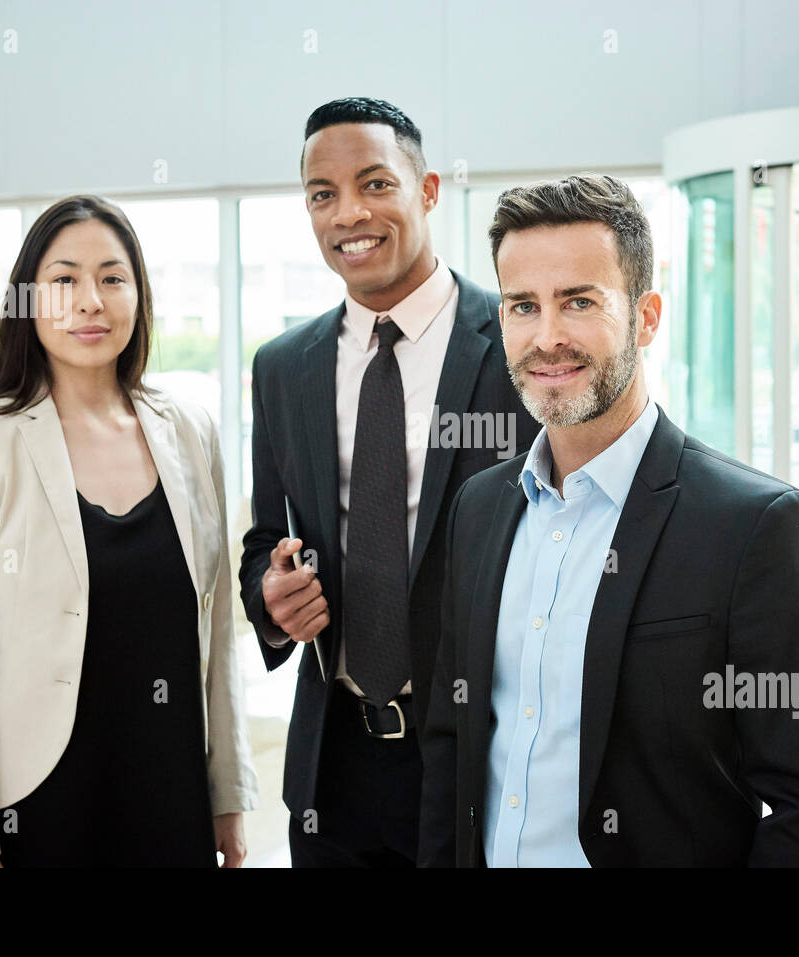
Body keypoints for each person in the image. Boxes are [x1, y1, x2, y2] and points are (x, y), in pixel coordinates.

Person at [418, 174, 799, 867]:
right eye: (523, 306)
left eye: (580, 302)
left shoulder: (756, 527)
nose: (548, 336)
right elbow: (452, 739)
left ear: (647, 316)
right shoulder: (479, 508)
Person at [239, 97, 538, 867]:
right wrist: (271, 601)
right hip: (332, 770)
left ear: (429, 190)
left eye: (375, 184)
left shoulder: (518, 348)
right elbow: (267, 539)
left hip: (480, 756)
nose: (348, 214)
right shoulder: (283, 367)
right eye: (321, 194)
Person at [0, 195, 259, 867]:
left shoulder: (190, 431)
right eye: (64, 279)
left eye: (112, 277)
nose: (90, 301)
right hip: (39, 803)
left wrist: (227, 793)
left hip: (171, 794)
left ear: (139, 294)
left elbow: (217, 634)